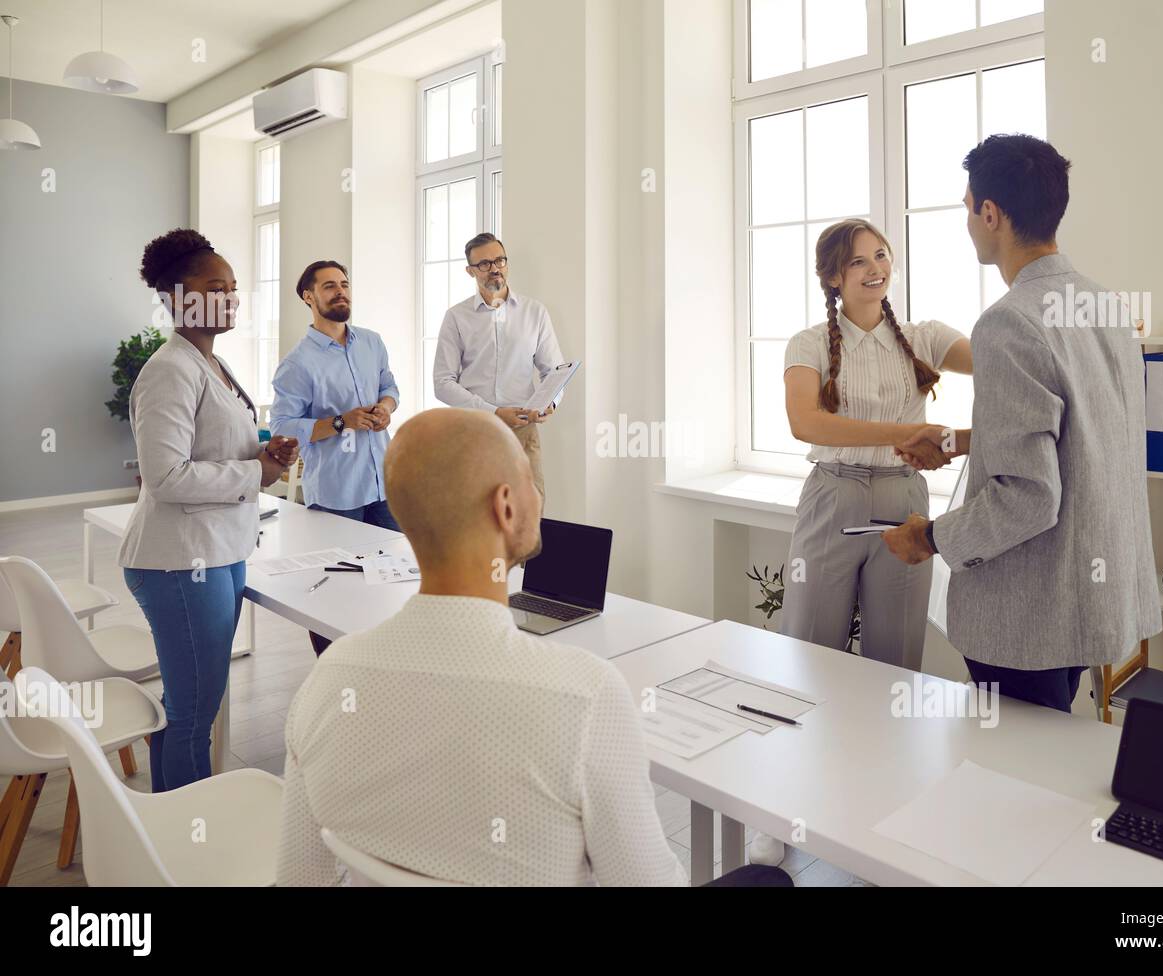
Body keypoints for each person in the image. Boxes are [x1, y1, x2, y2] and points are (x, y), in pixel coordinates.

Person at [275, 408, 790, 887]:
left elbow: (300, 877)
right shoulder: (586, 696)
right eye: (528, 478)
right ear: (505, 506)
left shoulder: (327, 680)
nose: (539, 495)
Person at [882, 133, 1162, 713]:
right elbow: (1086, 434)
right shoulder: (1106, 305)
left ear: (991, 214)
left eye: (967, 209)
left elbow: (1029, 498)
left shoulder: (1008, 323)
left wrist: (930, 537)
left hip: (1029, 617)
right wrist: (962, 442)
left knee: (1007, 787)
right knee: (1049, 780)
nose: (967, 222)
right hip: (1093, 595)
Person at [753, 218, 971, 868]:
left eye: (882, 256)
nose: (875, 268)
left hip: (906, 500)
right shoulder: (808, 341)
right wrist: (910, 430)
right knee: (809, 652)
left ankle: (882, 819)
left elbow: (1002, 358)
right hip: (833, 495)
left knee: (894, 664)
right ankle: (784, 815)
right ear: (832, 277)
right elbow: (805, 421)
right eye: (858, 262)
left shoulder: (927, 337)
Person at [119, 228, 298, 791]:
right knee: (195, 715)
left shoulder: (211, 364)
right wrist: (257, 474)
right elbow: (166, 476)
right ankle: (185, 840)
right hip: (179, 561)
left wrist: (263, 452)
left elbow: (212, 447)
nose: (232, 298)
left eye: (235, 288)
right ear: (178, 297)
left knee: (193, 704)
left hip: (218, 550)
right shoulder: (169, 370)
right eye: (216, 287)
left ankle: (167, 822)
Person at [270, 260, 401, 656]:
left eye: (344, 284)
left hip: (384, 483)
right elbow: (283, 426)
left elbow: (390, 386)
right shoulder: (298, 363)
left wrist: (386, 408)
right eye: (329, 286)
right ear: (309, 297)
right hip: (335, 492)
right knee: (334, 588)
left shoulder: (372, 342)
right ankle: (335, 670)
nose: (340, 291)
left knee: (395, 576)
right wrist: (340, 423)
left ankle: (383, 658)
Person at [432, 233, 564, 507]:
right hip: (473, 431)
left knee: (528, 517)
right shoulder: (456, 317)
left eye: (500, 260)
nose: (494, 268)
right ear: (470, 271)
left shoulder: (534, 312)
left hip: (523, 432)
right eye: (484, 264)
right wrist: (493, 412)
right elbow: (442, 383)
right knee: (475, 516)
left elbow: (553, 371)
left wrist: (550, 401)